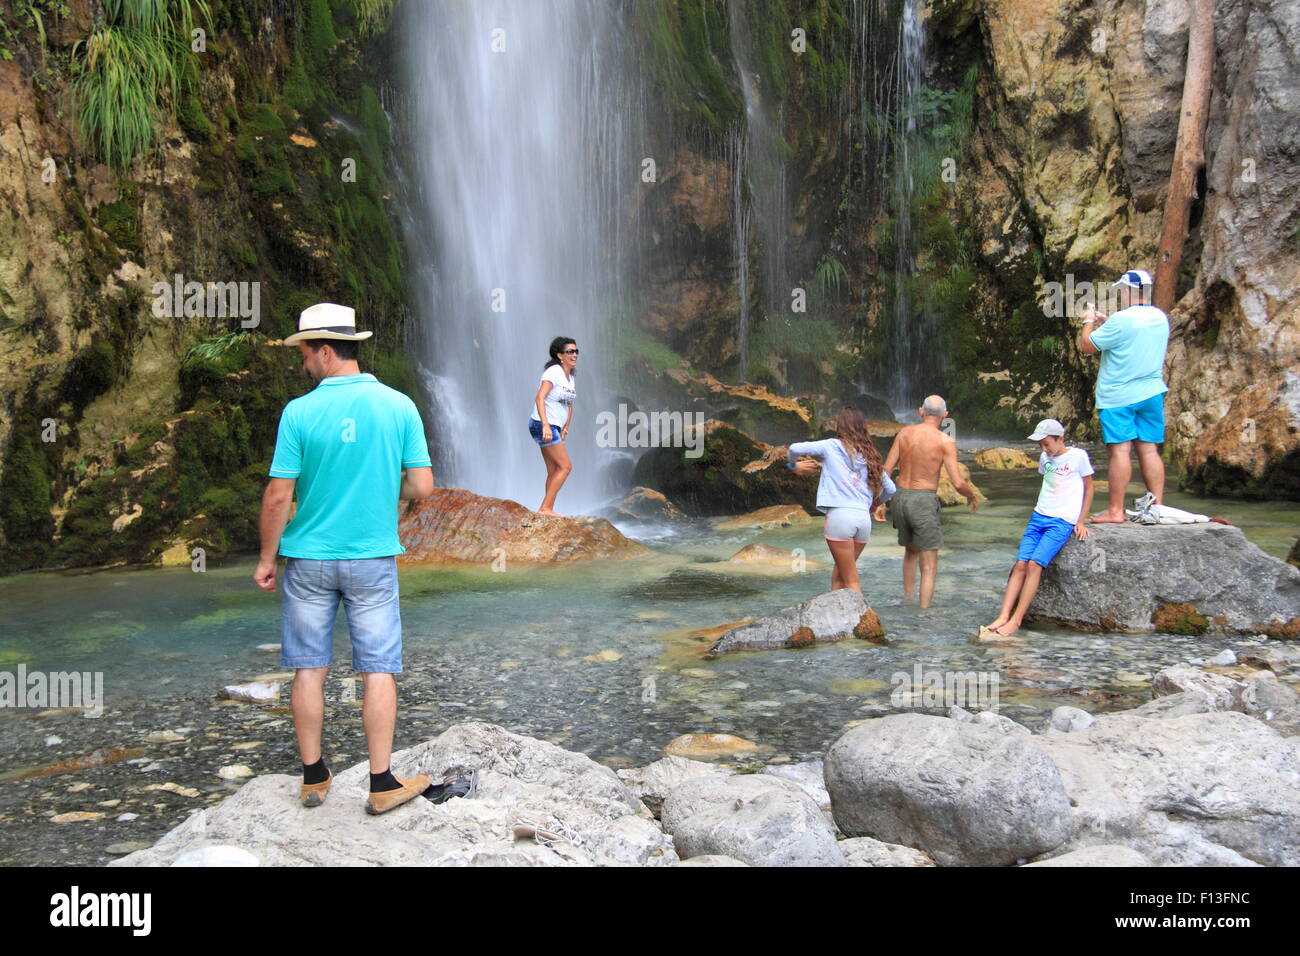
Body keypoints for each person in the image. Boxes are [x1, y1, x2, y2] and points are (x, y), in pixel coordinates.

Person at [254, 302, 435, 815]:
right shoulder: (399, 405)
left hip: (307, 559)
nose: (303, 364)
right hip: (372, 558)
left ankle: (313, 779)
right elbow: (422, 486)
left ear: (327, 350)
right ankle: (381, 784)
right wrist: (383, 487)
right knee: (378, 668)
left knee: (308, 668)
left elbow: (276, 496)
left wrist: (268, 558)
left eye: (306, 353)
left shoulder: (299, 412)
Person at [987, 418, 1094, 636]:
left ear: (1060, 438)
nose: (1043, 449)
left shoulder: (1078, 457)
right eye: (1040, 445)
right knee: (1020, 564)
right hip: (1038, 516)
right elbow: (1049, 482)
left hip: (1062, 520)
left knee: (1035, 565)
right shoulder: (1045, 457)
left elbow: (1089, 489)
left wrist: (1081, 520)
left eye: (1046, 443)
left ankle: (1016, 620)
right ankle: (1003, 615)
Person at [1078, 268, 1170, 523]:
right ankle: (1157, 509)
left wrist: (1088, 321)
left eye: (1121, 291)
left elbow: (1087, 346)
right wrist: (1107, 325)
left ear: (1129, 291)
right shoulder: (1159, 317)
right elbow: (1134, 340)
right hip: (1151, 393)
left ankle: (1116, 511)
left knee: (1120, 451)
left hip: (1119, 395)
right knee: (1149, 450)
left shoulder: (1122, 320)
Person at [874, 395, 979, 609]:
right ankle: (923, 614)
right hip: (923, 500)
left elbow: (885, 470)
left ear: (921, 411)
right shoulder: (945, 441)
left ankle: (908, 601)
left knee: (910, 552)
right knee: (929, 564)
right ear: (945, 415)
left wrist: (879, 501)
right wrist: (971, 496)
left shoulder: (904, 433)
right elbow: (957, 482)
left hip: (900, 498)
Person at [787, 406, 896, 593]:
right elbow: (891, 488)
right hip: (863, 521)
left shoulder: (831, 445)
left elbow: (794, 448)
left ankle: (864, 621)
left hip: (840, 518)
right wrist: (875, 504)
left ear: (840, 426)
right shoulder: (870, 455)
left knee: (852, 582)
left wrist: (793, 465)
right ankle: (840, 620)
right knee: (839, 576)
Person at [530, 336, 578, 516]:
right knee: (566, 467)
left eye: (576, 351)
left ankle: (547, 508)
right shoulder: (554, 372)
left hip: (554, 426)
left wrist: (565, 429)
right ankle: (545, 508)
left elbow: (569, 404)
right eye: (570, 352)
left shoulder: (570, 377)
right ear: (560, 355)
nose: (574, 355)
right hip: (542, 424)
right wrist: (545, 426)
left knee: (554, 470)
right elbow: (540, 397)